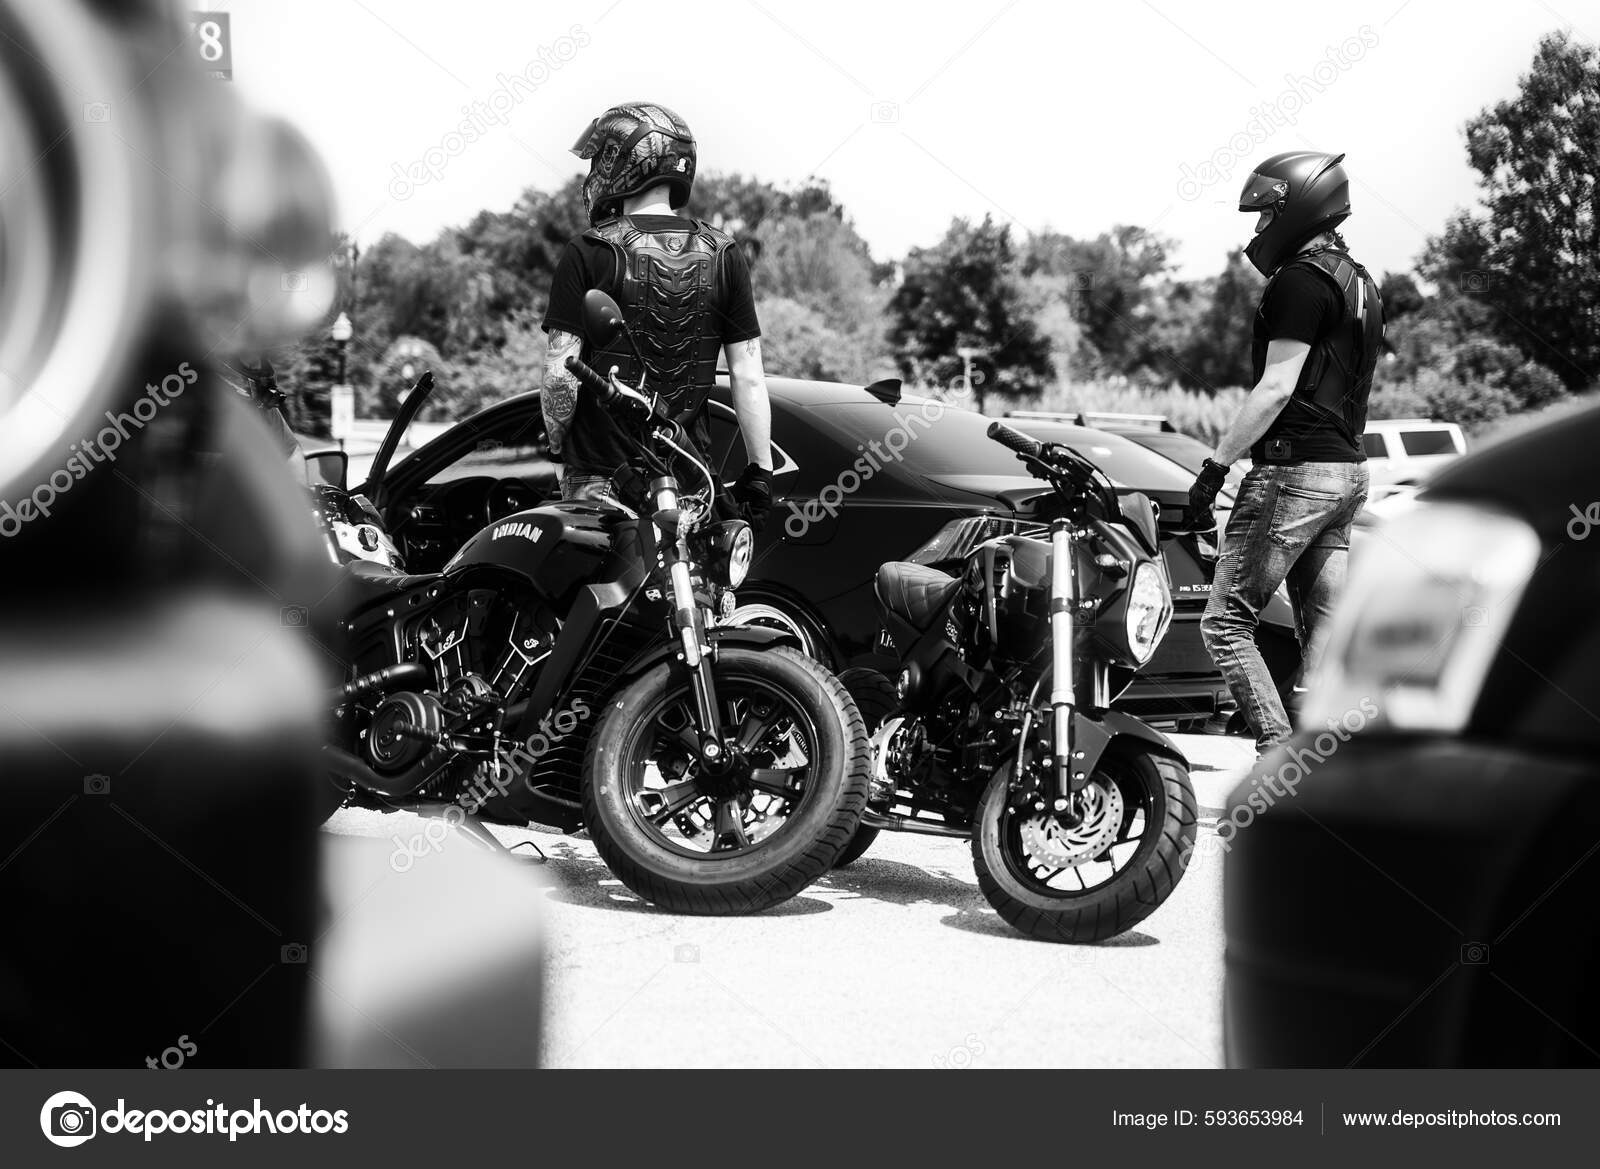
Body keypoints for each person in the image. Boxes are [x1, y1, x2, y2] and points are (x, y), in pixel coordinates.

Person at [1188, 151, 1384, 754]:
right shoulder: (1361, 282)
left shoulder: (1299, 281)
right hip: (1348, 473)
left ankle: (1279, 755)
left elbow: (1276, 387)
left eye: (1265, 214)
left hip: (1295, 470)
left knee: (1224, 621)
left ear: (1296, 206)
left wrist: (1213, 469)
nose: (1257, 230)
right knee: (1324, 628)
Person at [540, 101, 773, 529]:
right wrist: (761, 471)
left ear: (622, 160)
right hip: (689, 476)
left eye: (599, 158)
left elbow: (561, 374)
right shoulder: (725, 254)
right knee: (690, 595)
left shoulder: (589, 250)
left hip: (601, 476)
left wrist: (557, 449)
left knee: (595, 593)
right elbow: (749, 375)